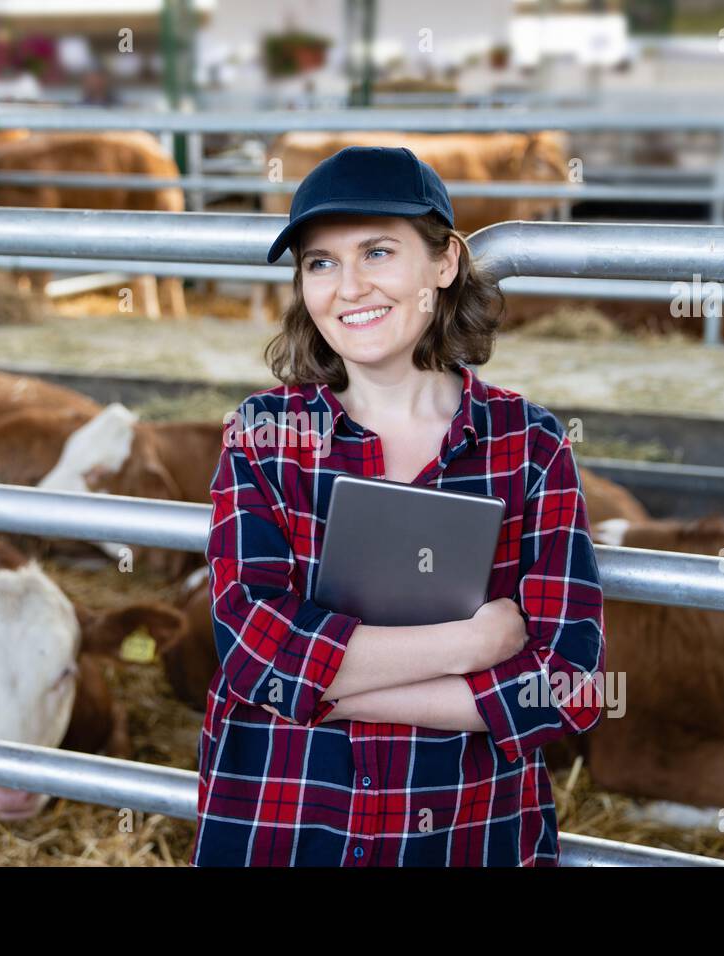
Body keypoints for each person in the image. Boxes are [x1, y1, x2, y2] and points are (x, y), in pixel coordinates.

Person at [190, 145, 607, 867]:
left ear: (443, 264)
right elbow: (251, 648)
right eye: (321, 263)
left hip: (463, 832)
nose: (348, 288)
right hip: (286, 824)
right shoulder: (265, 434)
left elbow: (567, 687)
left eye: (377, 252)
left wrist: (325, 692)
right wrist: (469, 648)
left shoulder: (529, 445)